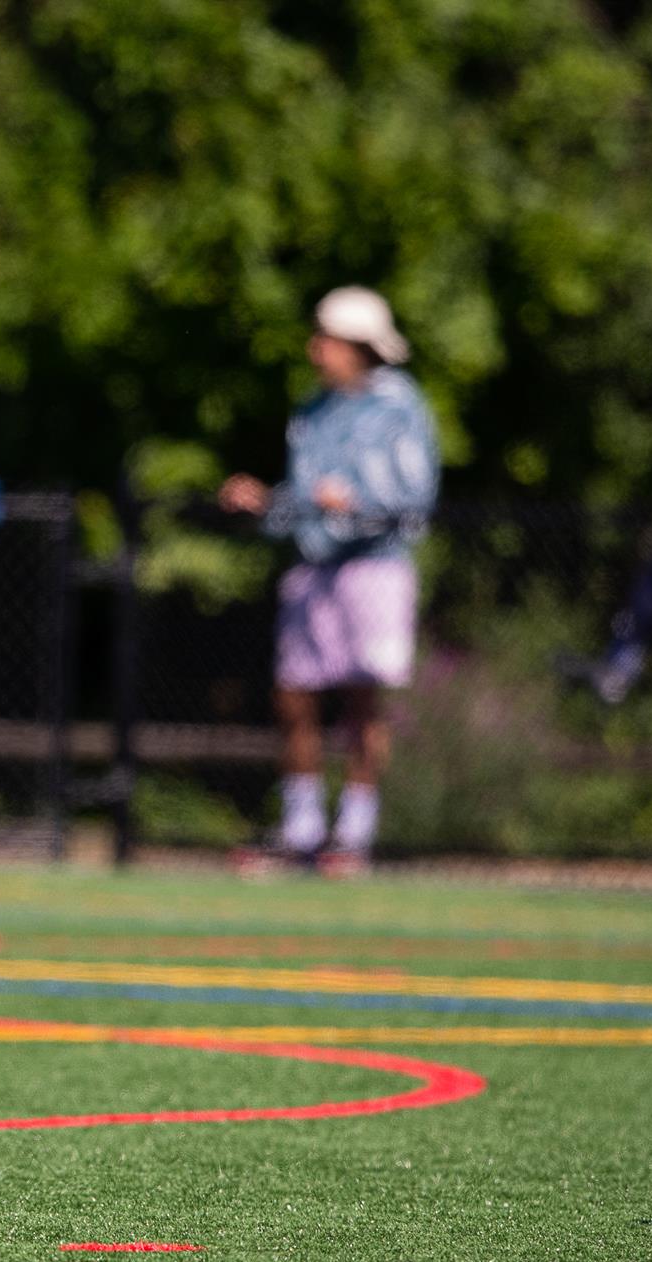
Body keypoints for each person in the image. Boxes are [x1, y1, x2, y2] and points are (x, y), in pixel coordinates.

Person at [219, 286, 439, 873]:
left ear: (359, 346)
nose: (316, 349)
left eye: (328, 339)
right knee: (293, 696)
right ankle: (301, 829)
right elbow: (303, 499)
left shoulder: (401, 405)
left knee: (362, 702)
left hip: (374, 564)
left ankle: (354, 835)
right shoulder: (312, 410)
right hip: (315, 566)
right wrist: (265, 502)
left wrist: (356, 503)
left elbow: (415, 496)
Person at [557, 498, 652, 704]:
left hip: (647, 606)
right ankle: (601, 685)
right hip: (646, 607)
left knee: (628, 647)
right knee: (627, 649)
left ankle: (596, 679)